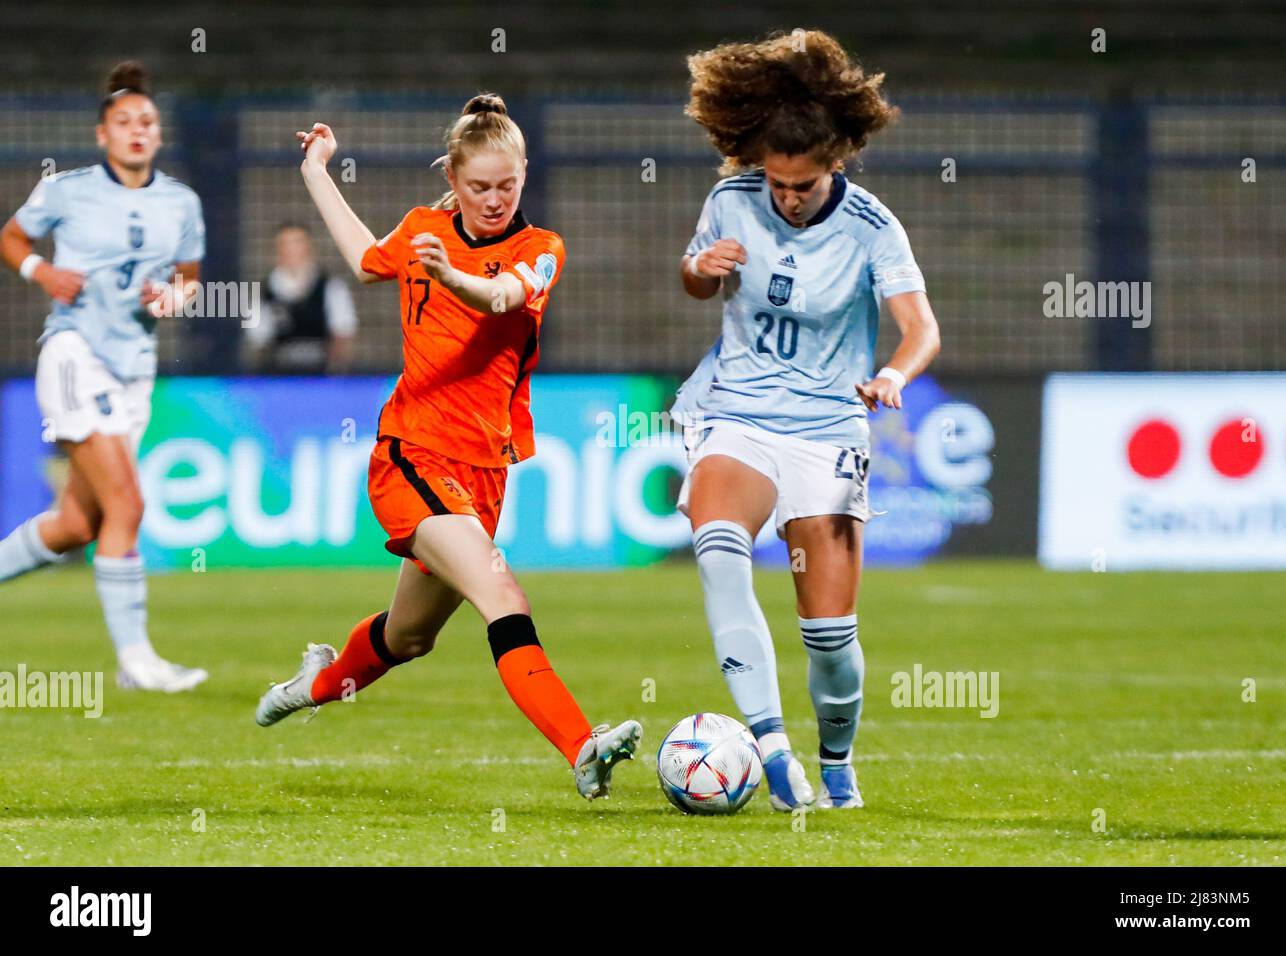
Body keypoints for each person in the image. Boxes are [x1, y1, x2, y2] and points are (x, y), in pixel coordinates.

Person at [256, 94, 641, 801]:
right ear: (452, 178)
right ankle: (582, 747)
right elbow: (369, 259)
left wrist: (449, 276)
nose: (494, 200)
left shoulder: (540, 249)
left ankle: (311, 683)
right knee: (502, 592)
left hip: (485, 470)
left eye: (507, 185)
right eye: (478, 186)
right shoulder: (424, 229)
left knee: (408, 639)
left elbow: (502, 299)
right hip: (412, 454)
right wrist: (316, 170)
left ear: (523, 175)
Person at [672, 31, 941, 810]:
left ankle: (836, 759)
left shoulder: (871, 227)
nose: (786, 196)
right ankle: (771, 747)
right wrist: (701, 269)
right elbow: (694, 280)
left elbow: (920, 327)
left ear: (835, 161)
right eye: (776, 181)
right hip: (739, 414)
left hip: (827, 431)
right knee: (719, 553)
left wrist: (893, 372)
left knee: (829, 636)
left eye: (802, 182)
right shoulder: (731, 199)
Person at [0, 60, 208, 692]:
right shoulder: (68, 190)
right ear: (102, 135)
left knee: (75, 525)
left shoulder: (181, 202)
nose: (137, 131)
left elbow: (191, 280)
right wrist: (42, 271)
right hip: (73, 354)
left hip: (133, 372)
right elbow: (11, 236)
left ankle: (135, 660)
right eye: (124, 122)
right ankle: (136, 662)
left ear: (159, 134)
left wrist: (174, 300)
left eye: (147, 121)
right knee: (128, 503)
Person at [244, 222, 357, 374]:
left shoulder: (332, 288)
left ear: (309, 248)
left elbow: (343, 332)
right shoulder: (263, 294)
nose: (292, 250)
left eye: (297, 243)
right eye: (285, 244)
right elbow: (257, 340)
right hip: (279, 377)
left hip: (322, 375)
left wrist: (334, 370)